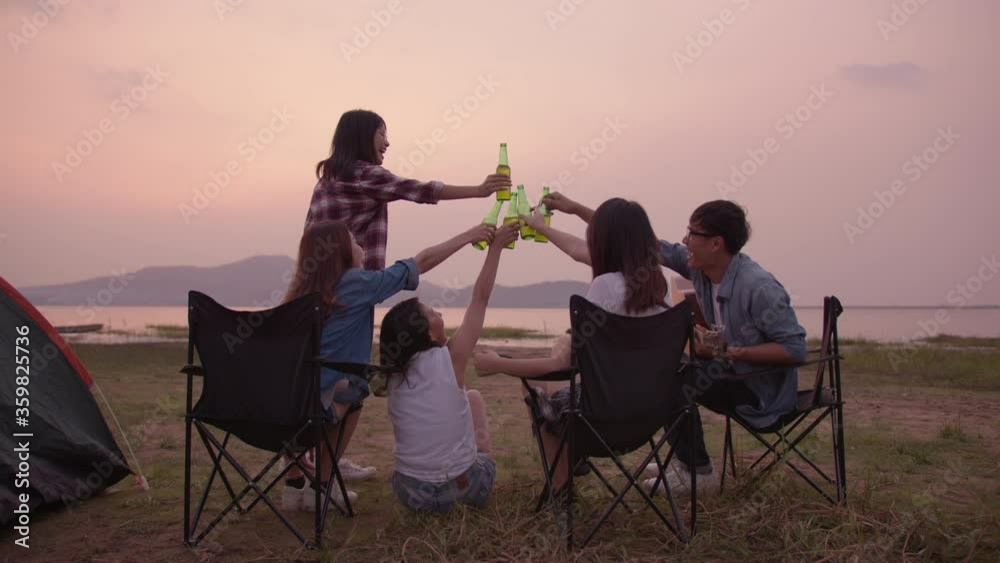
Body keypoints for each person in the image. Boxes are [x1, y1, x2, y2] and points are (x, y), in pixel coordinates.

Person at [540, 193, 807, 497]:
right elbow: (634, 237)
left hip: (761, 393)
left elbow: (794, 350)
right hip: (730, 372)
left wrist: (729, 351)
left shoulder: (758, 287)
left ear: (716, 243)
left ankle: (698, 471)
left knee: (673, 376)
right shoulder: (698, 267)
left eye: (693, 233)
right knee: (671, 370)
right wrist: (574, 209)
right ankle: (685, 460)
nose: (685, 239)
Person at [279, 219, 497, 512]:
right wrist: (470, 235)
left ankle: (293, 485)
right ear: (340, 253)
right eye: (353, 242)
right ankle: (320, 486)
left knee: (337, 391)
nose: (360, 246)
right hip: (319, 407)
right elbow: (422, 262)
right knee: (352, 394)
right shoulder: (354, 283)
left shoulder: (297, 296)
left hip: (283, 407)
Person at [473, 198, 671, 492]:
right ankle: (572, 462)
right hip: (648, 419)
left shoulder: (605, 288)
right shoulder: (659, 288)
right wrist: (541, 226)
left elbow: (557, 366)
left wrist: (497, 363)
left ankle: (561, 485)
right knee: (561, 364)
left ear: (602, 242)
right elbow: (577, 250)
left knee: (535, 387)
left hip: (601, 423)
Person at [378, 222, 518, 512]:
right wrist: (496, 249)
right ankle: (478, 464)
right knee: (474, 398)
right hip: (466, 488)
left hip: (410, 493)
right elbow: (480, 298)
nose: (439, 312)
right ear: (428, 334)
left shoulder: (392, 374)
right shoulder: (450, 357)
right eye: (432, 313)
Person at [305, 109, 511, 271]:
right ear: (362, 136)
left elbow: (308, 233)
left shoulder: (325, 182)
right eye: (381, 133)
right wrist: (479, 190)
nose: (387, 142)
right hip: (349, 288)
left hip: (315, 283)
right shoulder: (365, 175)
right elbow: (421, 191)